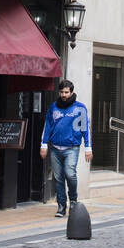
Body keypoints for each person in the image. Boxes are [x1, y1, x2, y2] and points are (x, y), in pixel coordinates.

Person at [39, 79, 92, 217]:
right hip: (55, 148)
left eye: (66, 92)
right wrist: (43, 145)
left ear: (72, 92)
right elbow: (47, 126)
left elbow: (85, 128)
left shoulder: (80, 108)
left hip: (72, 148)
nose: (64, 95)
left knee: (70, 174)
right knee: (58, 178)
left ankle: (73, 200)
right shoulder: (53, 107)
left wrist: (88, 147)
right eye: (61, 92)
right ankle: (61, 206)